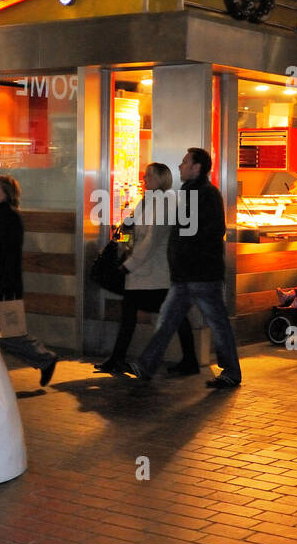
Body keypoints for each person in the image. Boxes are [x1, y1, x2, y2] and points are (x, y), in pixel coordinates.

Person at [128, 148, 241, 389]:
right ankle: (146, 365)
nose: (180, 166)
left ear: (196, 167)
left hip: (202, 274)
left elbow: (210, 231)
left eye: (184, 162)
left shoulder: (207, 195)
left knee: (216, 323)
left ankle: (231, 371)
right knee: (168, 320)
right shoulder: (188, 193)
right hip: (186, 275)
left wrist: (188, 250)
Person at [96, 163, 198, 375]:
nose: (145, 178)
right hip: (146, 273)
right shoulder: (147, 201)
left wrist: (128, 266)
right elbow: (131, 227)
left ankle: (188, 360)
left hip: (155, 272)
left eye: (150, 175)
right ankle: (118, 358)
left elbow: (152, 241)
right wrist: (125, 231)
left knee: (169, 314)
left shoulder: (165, 203)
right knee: (139, 313)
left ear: (162, 178)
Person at [0, 175, 59, 386]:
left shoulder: (6, 218)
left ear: (6, 194)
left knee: (5, 333)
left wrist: (3, 285)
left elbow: (5, 255)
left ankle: (45, 358)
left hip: (2, 285)